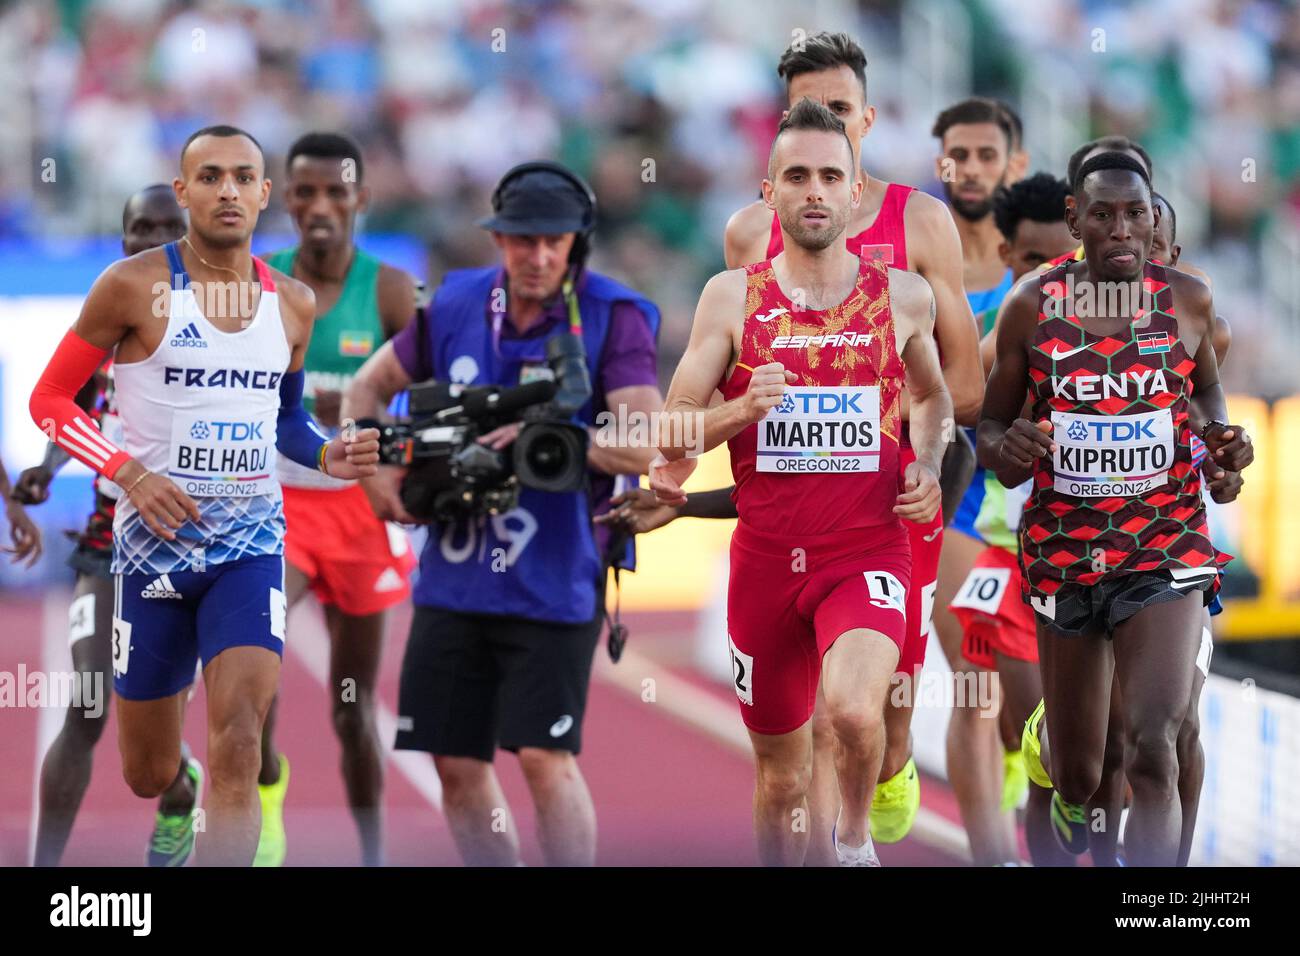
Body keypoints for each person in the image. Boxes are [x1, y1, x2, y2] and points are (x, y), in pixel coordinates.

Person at [28, 125, 380, 866]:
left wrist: (330, 453)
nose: (227, 190)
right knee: (144, 771)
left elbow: (285, 420)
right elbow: (52, 400)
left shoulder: (292, 302)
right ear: (183, 191)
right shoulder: (130, 287)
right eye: (210, 176)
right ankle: (173, 781)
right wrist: (128, 472)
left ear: (263, 194)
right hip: (151, 554)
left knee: (241, 743)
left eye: (242, 177)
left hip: (251, 551)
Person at [690, 31, 985, 858]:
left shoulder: (922, 224)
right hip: (787, 522)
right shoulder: (749, 236)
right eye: (802, 116)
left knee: (878, 724)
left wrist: (898, 439)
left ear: (870, 120)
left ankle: (883, 782)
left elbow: (957, 389)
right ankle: (837, 849)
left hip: (891, 507)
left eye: (842, 114)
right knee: (812, 735)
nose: (824, 123)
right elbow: (717, 386)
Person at [343, 161, 662, 867]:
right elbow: (366, 390)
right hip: (455, 577)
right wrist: (377, 476)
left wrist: (556, 442)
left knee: (545, 758)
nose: (539, 257)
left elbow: (648, 441)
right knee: (455, 763)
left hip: (560, 577)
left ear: (578, 240)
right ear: (498, 240)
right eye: (523, 241)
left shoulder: (614, 316)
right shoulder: (454, 306)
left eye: (555, 241)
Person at [978, 151, 1253, 866]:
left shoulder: (1188, 301)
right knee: (1080, 772)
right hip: (1066, 553)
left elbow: (1209, 410)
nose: (1123, 231)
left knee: (1153, 746)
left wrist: (1224, 459)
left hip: (1165, 547)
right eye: (1104, 215)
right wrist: (1011, 448)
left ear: (1152, 216)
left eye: (1136, 214)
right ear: (1076, 220)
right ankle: (1049, 739)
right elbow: (986, 431)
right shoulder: (1032, 308)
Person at [14, 184, 205, 867]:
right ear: (120, 241)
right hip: (106, 543)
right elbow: (73, 406)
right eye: (138, 229)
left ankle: (181, 792)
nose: (152, 240)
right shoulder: (103, 323)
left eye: (167, 228)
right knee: (88, 706)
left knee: (148, 740)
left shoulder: (218, 330)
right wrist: (42, 467)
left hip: (189, 551)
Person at [256, 132, 419, 867]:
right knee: (250, 665)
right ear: (284, 199)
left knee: (353, 712)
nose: (320, 206)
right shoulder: (261, 280)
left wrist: (360, 408)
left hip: (358, 510)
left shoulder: (387, 289)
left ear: (360, 199)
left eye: (335, 192)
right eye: (305, 192)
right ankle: (264, 794)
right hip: (279, 504)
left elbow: (430, 394)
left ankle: (371, 850)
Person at [946, 172, 1079, 865]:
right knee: (1011, 725)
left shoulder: (1124, 322)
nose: (1050, 273)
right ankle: (1002, 842)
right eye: (1033, 260)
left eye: (1063, 259)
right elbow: (948, 412)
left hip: (1093, 553)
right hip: (994, 542)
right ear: (1008, 256)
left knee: (1085, 749)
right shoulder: (1000, 328)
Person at [927, 98, 1030, 865]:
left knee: (1033, 698)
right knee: (973, 678)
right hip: (960, 494)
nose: (970, 170)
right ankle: (993, 855)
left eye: (985, 155)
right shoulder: (921, 267)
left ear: (1014, 166)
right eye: (957, 156)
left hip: (1046, 496)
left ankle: (1030, 774)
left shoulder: (1049, 259)